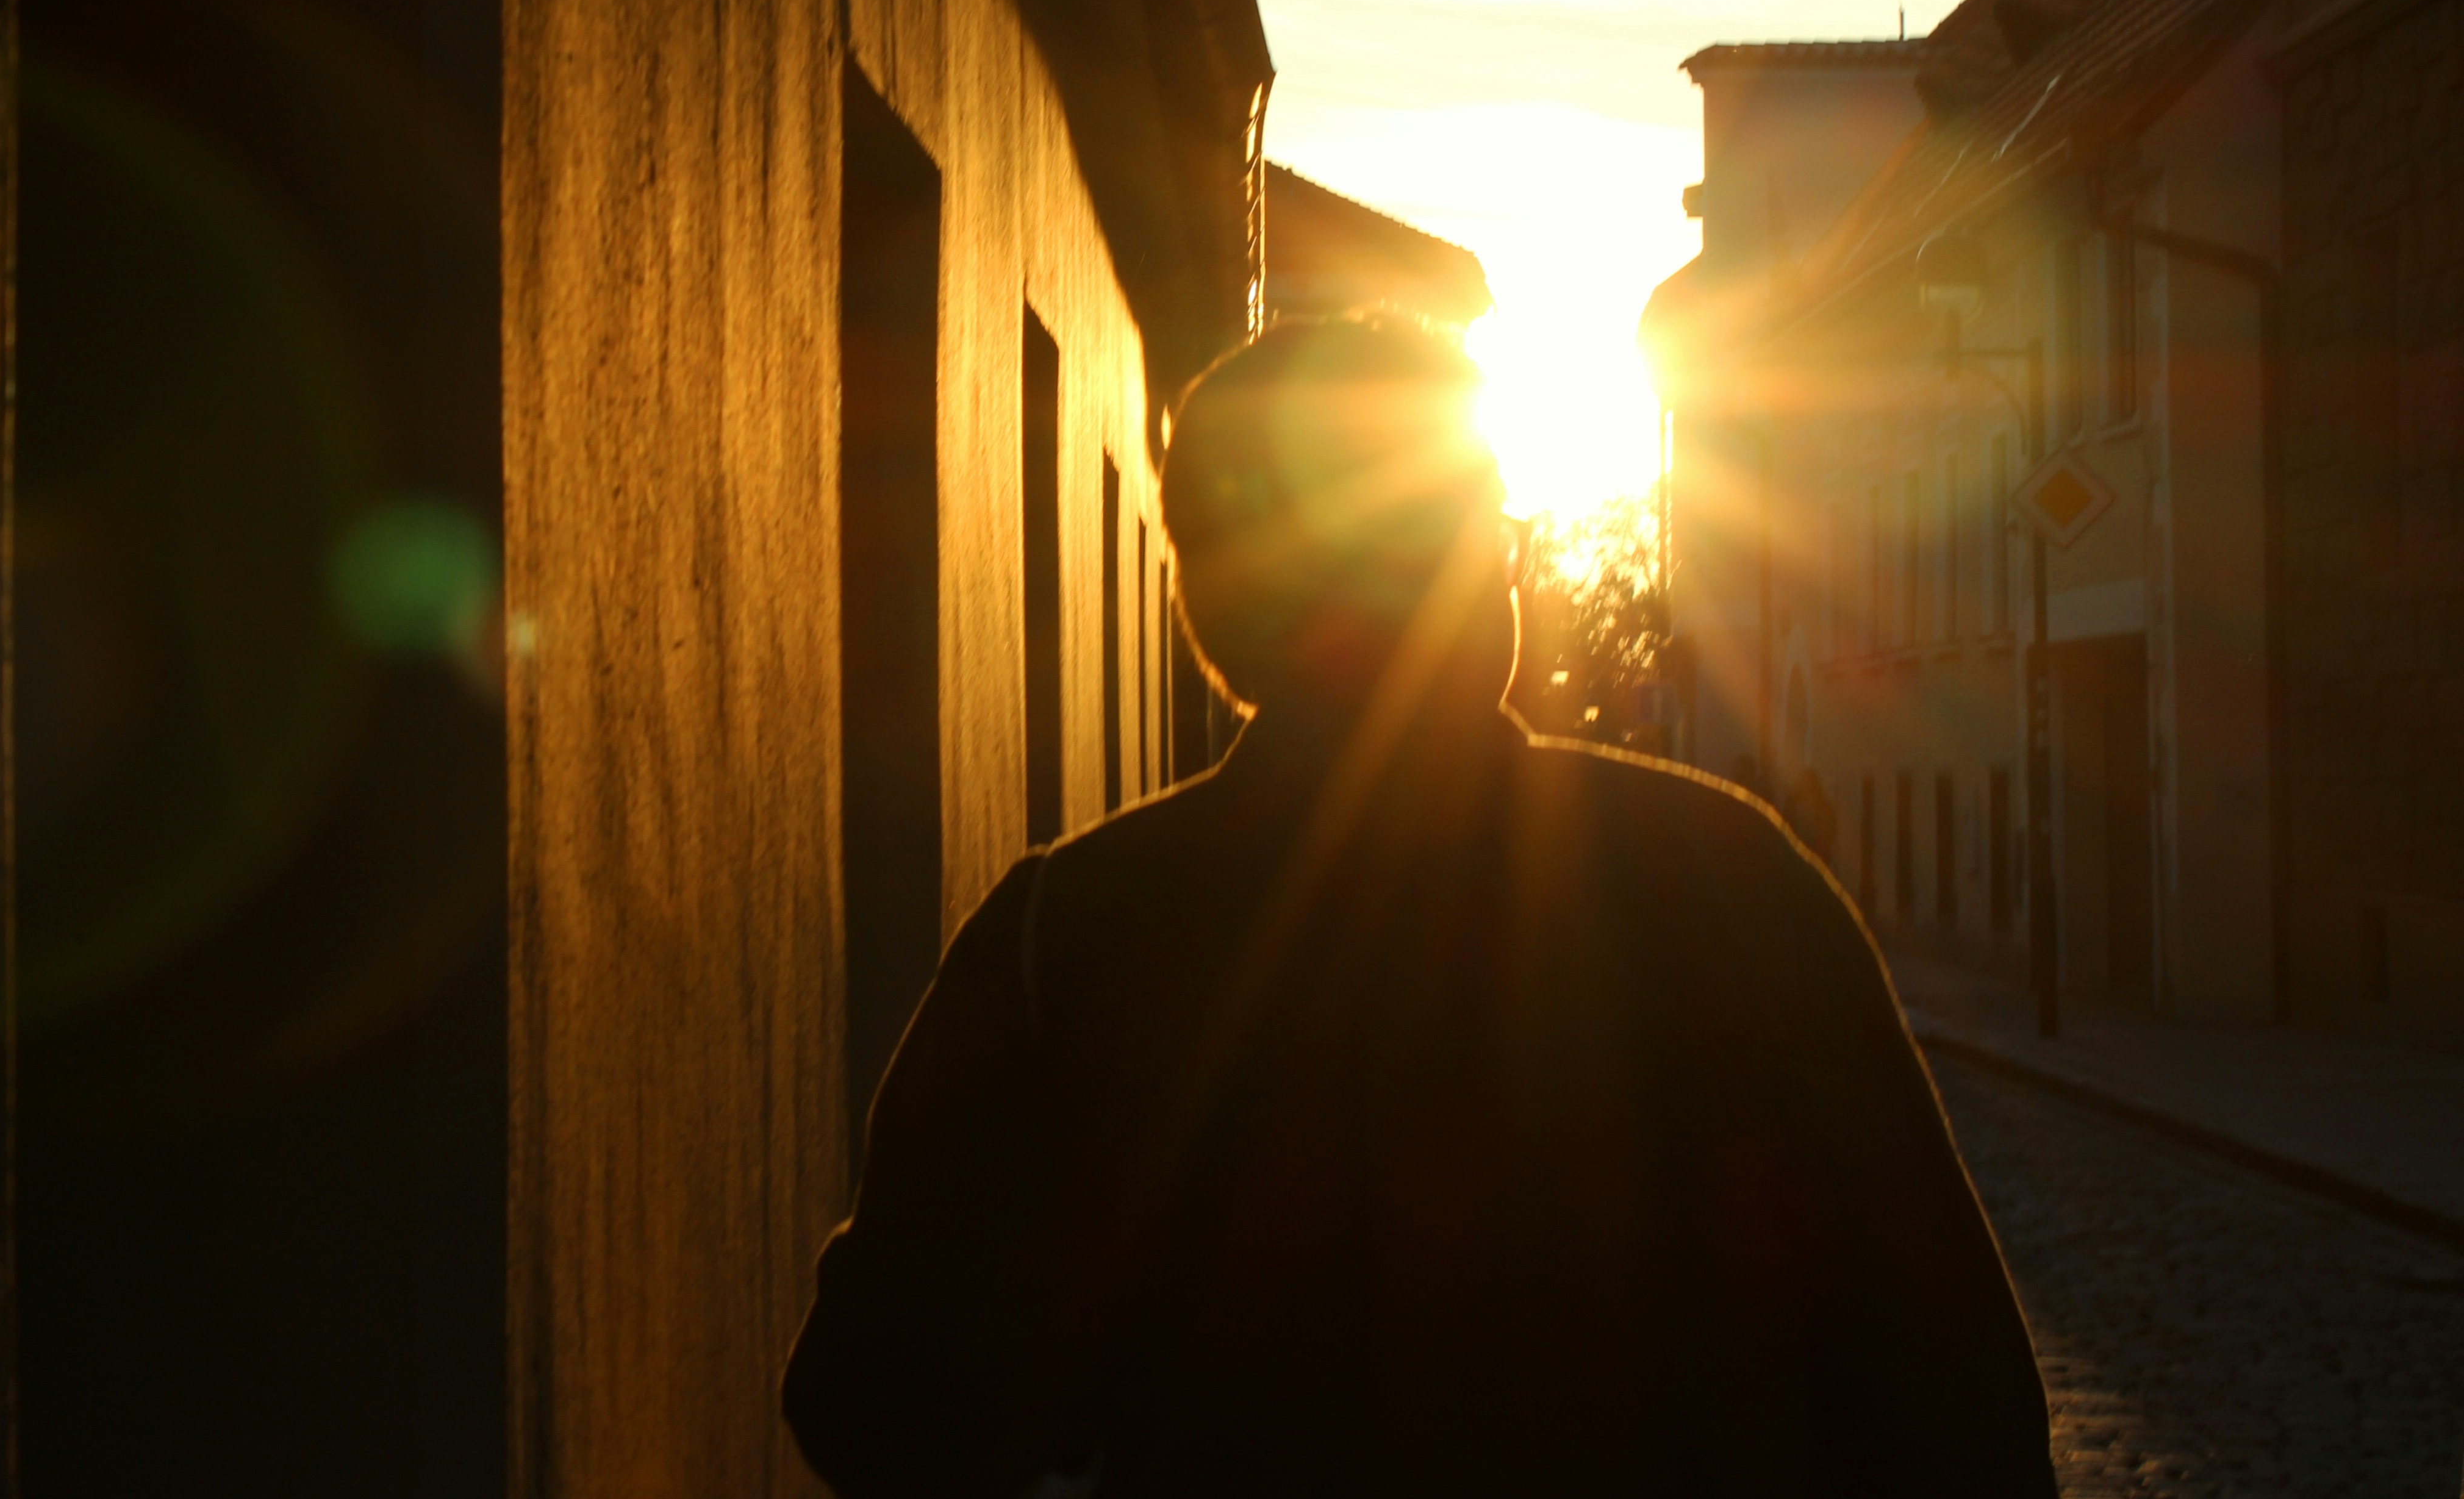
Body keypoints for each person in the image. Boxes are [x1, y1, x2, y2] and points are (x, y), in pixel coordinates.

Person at [781, 314, 2054, 1498]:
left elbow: (867, 1399)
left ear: (1206, 599)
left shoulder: (1060, 941)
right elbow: (1958, 1397)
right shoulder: (1730, 883)